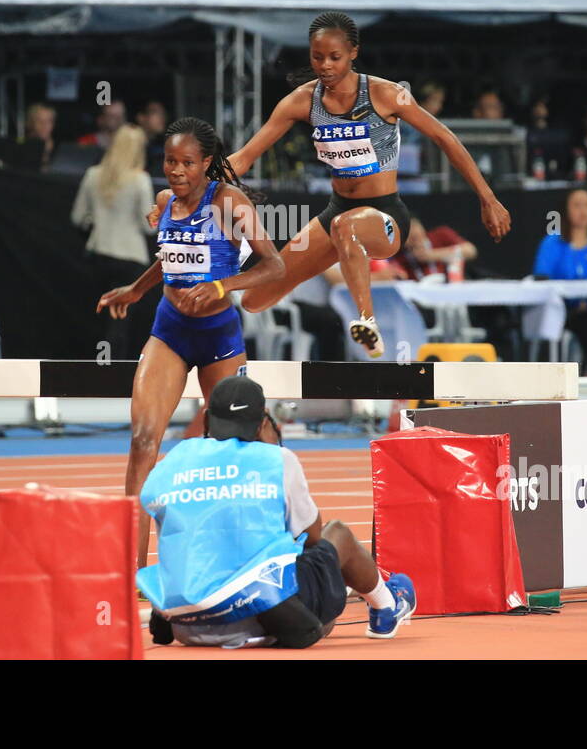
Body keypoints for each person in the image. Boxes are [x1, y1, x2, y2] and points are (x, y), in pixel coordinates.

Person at [154, 11, 510, 358]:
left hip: (385, 215)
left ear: (353, 53)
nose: (325, 66)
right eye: (317, 57)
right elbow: (246, 157)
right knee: (255, 298)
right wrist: (191, 190)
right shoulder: (302, 101)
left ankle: (366, 323)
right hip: (335, 213)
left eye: (335, 57)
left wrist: (487, 197)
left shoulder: (387, 95)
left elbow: (444, 137)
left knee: (348, 227)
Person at [97, 118, 286, 568]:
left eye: (186, 162)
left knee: (245, 444)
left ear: (206, 164)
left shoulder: (229, 203)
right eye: (169, 161)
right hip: (170, 331)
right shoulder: (164, 202)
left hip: (219, 337)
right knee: (144, 440)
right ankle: (135, 568)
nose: (176, 171)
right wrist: (138, 289)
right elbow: (171, 259)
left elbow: (274, 266)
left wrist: (223, 286)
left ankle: (281, 535)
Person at [140, 373, 417, 648]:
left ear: (208, 419)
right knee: (338, 534)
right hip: (267, 619)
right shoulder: (276, 459)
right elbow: (311, 536)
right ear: (263, 422)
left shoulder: (175, 459)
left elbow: (162, 514)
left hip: (187, 626)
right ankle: (388, 604)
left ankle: (341, 594)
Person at [72, 124, 156, 361]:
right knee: (121, 319)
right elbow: (148, 225)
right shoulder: (140, 180)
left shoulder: (92, 175)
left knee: (99, 316)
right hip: (130, 257)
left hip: (99, 254)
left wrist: (97, 219)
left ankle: (96, 369)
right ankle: (116, 372)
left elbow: (78, 217)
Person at [533, 188, 587, 377]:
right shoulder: (553, 243)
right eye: (577, 205)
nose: (583, 211)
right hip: (567, 312)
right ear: (566, 210)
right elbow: (542, 277)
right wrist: (575, 301)